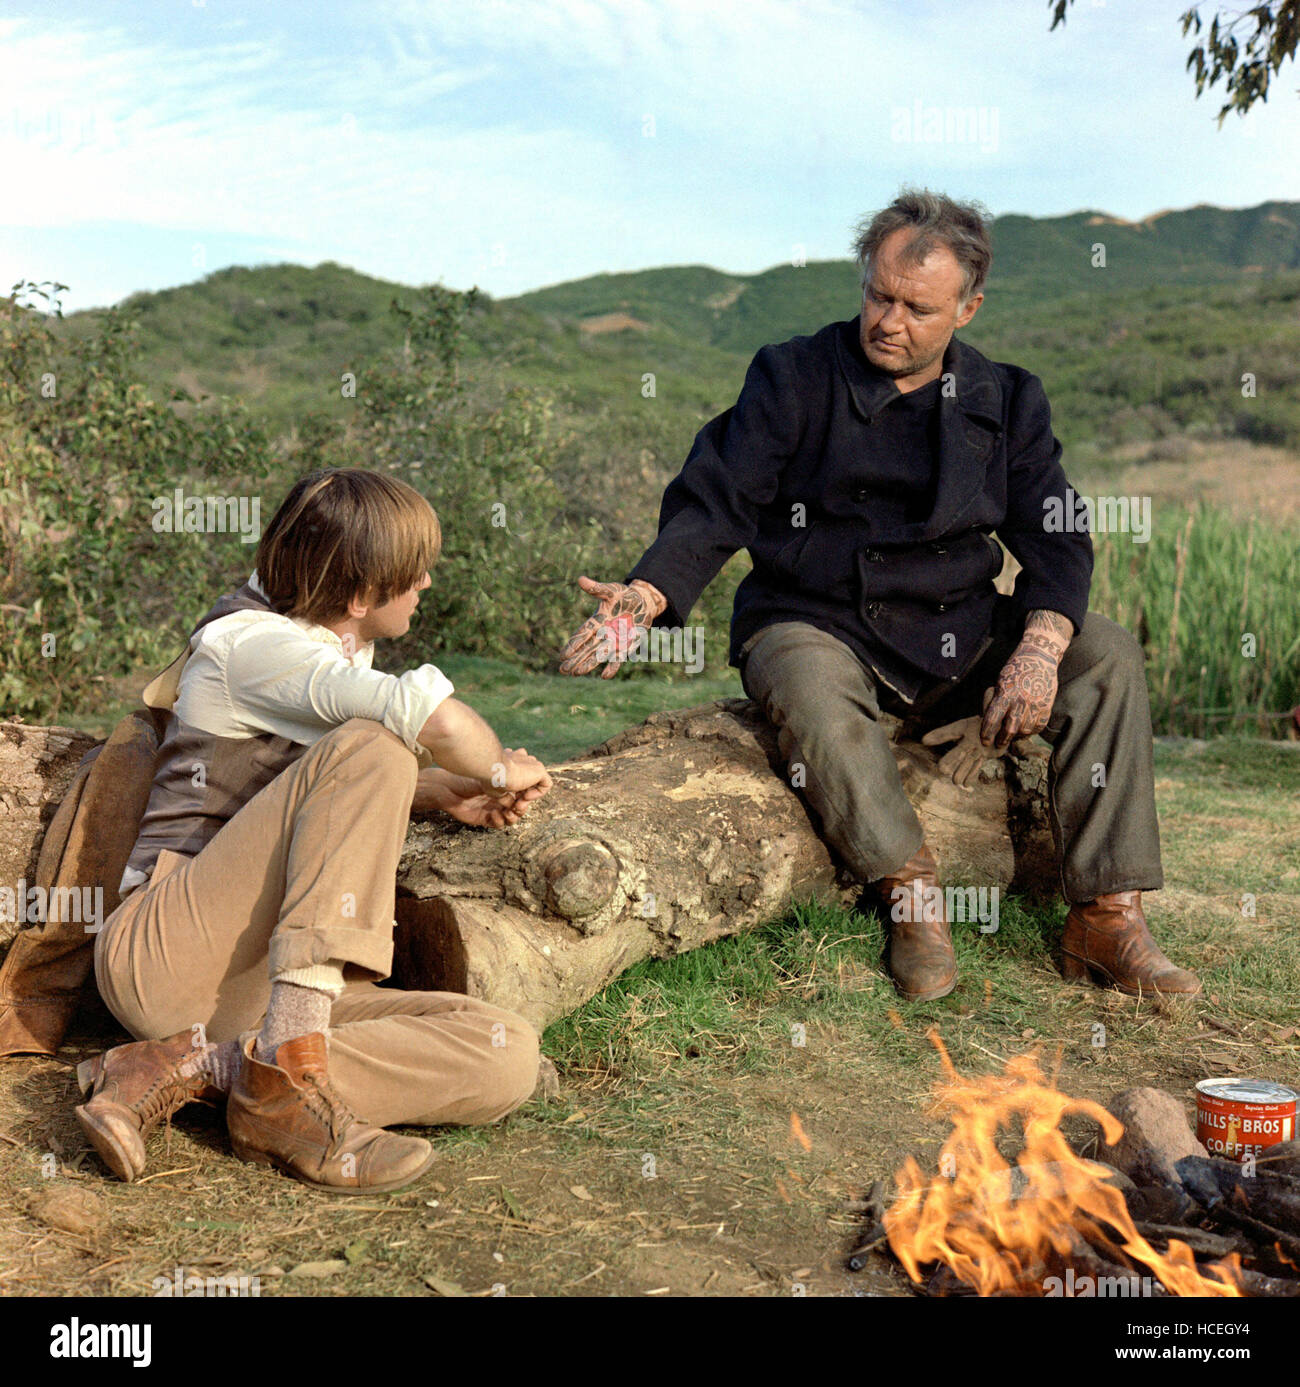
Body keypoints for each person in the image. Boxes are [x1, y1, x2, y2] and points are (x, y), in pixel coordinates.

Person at [558, 188, 1199, 1004]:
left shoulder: (1008, 402)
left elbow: (1058, 533)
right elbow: (717, 497)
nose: (887, 321)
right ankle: (913, 898)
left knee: (1103, 651)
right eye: (877, 295)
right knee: (810, 683)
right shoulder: (792, 376)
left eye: (915, 307)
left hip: (956, 631)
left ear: (967, 309)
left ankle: (1107, 917)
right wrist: (647, 595)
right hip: (816, 620)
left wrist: (1038, 649)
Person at [76, 468, 552, 1192]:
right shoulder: (253, 646)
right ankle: (286, 1071)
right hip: (169, 953)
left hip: (264, 983)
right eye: (411, 571)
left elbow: (300, 799)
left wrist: (439, 794)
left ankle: (207, 1068)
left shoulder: (332, 646)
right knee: (380, 741)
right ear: (360, 595)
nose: (426, 580)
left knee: (509, 1051)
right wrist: (495, 770)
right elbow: (435, 721)